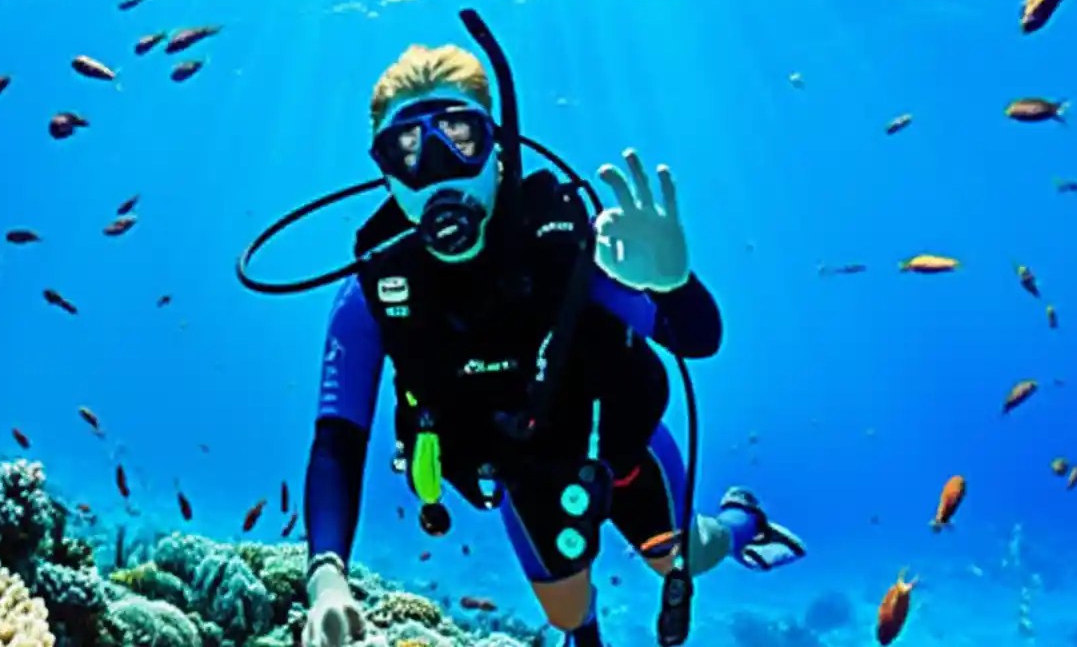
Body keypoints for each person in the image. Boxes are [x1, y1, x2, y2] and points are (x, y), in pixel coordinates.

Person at [298, 43, 807, 647]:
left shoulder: (567, 246)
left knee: (682, 557)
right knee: (566, 615)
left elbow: (698, 339)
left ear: (497, 148)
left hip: (619, 450)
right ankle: (583, 633)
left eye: (459, 136)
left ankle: (743, 521)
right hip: (518, 472)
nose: (435, 169)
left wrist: (675, 284)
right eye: (406, 149)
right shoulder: (376, 289)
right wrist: (326, 578)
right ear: (383, 170)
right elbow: (337, 441)